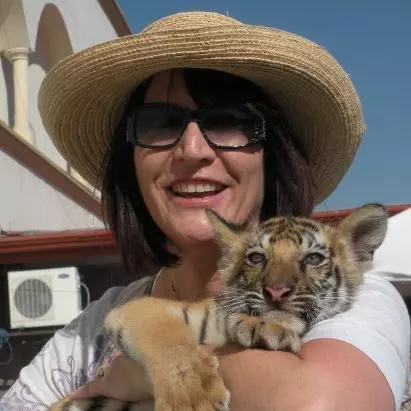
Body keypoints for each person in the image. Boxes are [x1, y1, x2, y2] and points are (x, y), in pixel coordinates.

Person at [1, 11, 409, 411]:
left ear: (273, 157)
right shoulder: (87, 330)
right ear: (132, 164)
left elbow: (318, 404)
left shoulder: (356, 296)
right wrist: (171, 356)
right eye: (159, 122)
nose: (192, 151)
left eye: (228, 121)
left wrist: (142, 372)